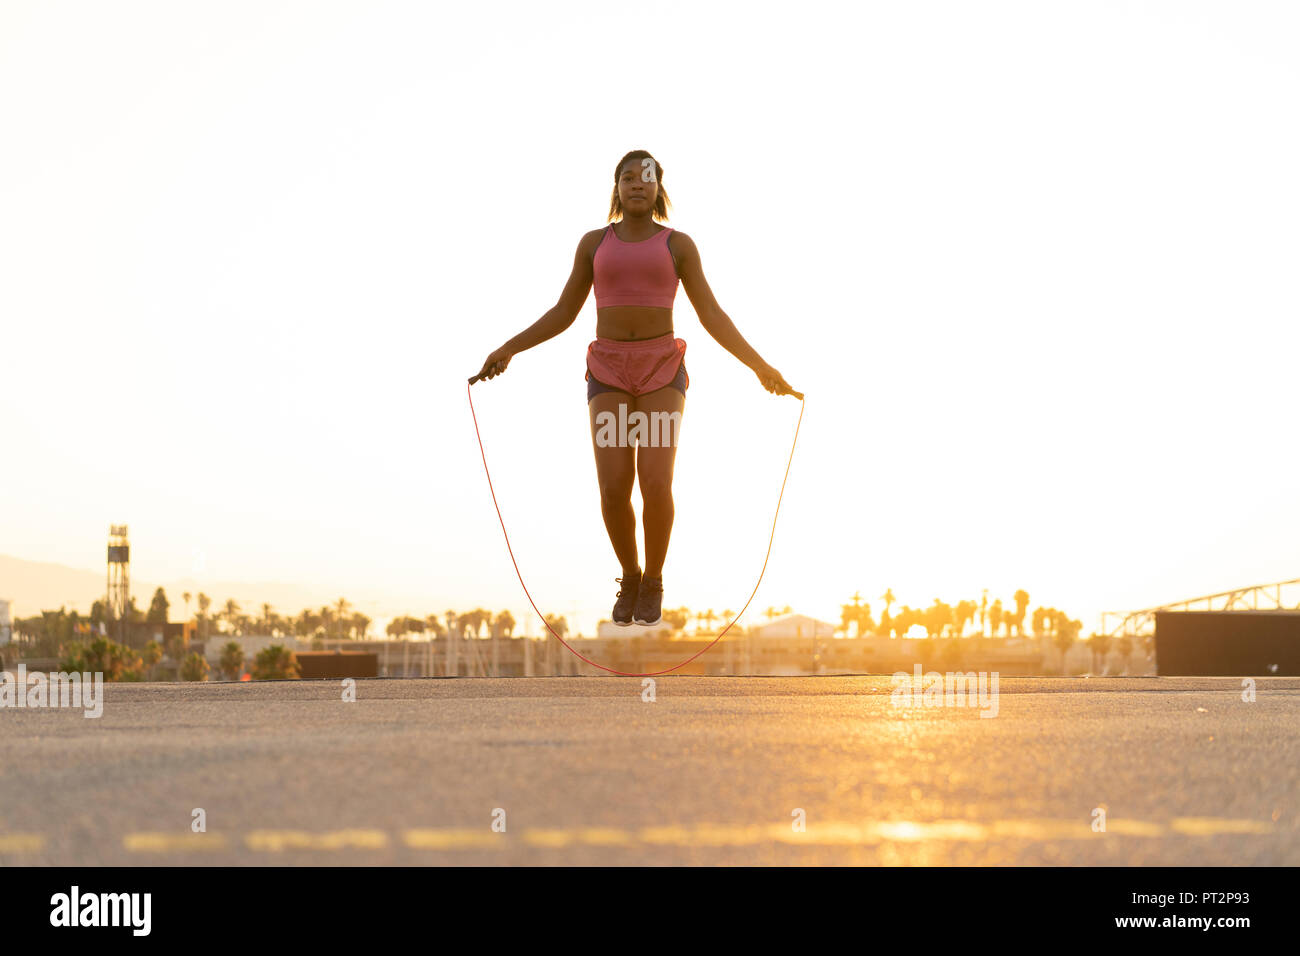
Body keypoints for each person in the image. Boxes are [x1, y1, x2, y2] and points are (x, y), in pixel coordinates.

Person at [471, 149, 794, 628]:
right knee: (613, 487)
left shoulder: (678, 244)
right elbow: (564, 312)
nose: (637, 184)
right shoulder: (593, 243)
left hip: (662, 367)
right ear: (617, 186)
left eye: (647, 177)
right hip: (608, 370)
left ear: (658, 187)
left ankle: (655, 579)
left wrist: (760, 366)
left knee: (656, 482)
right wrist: (509, 348)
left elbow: (712, 314)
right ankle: (630, 574)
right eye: (628, 177)